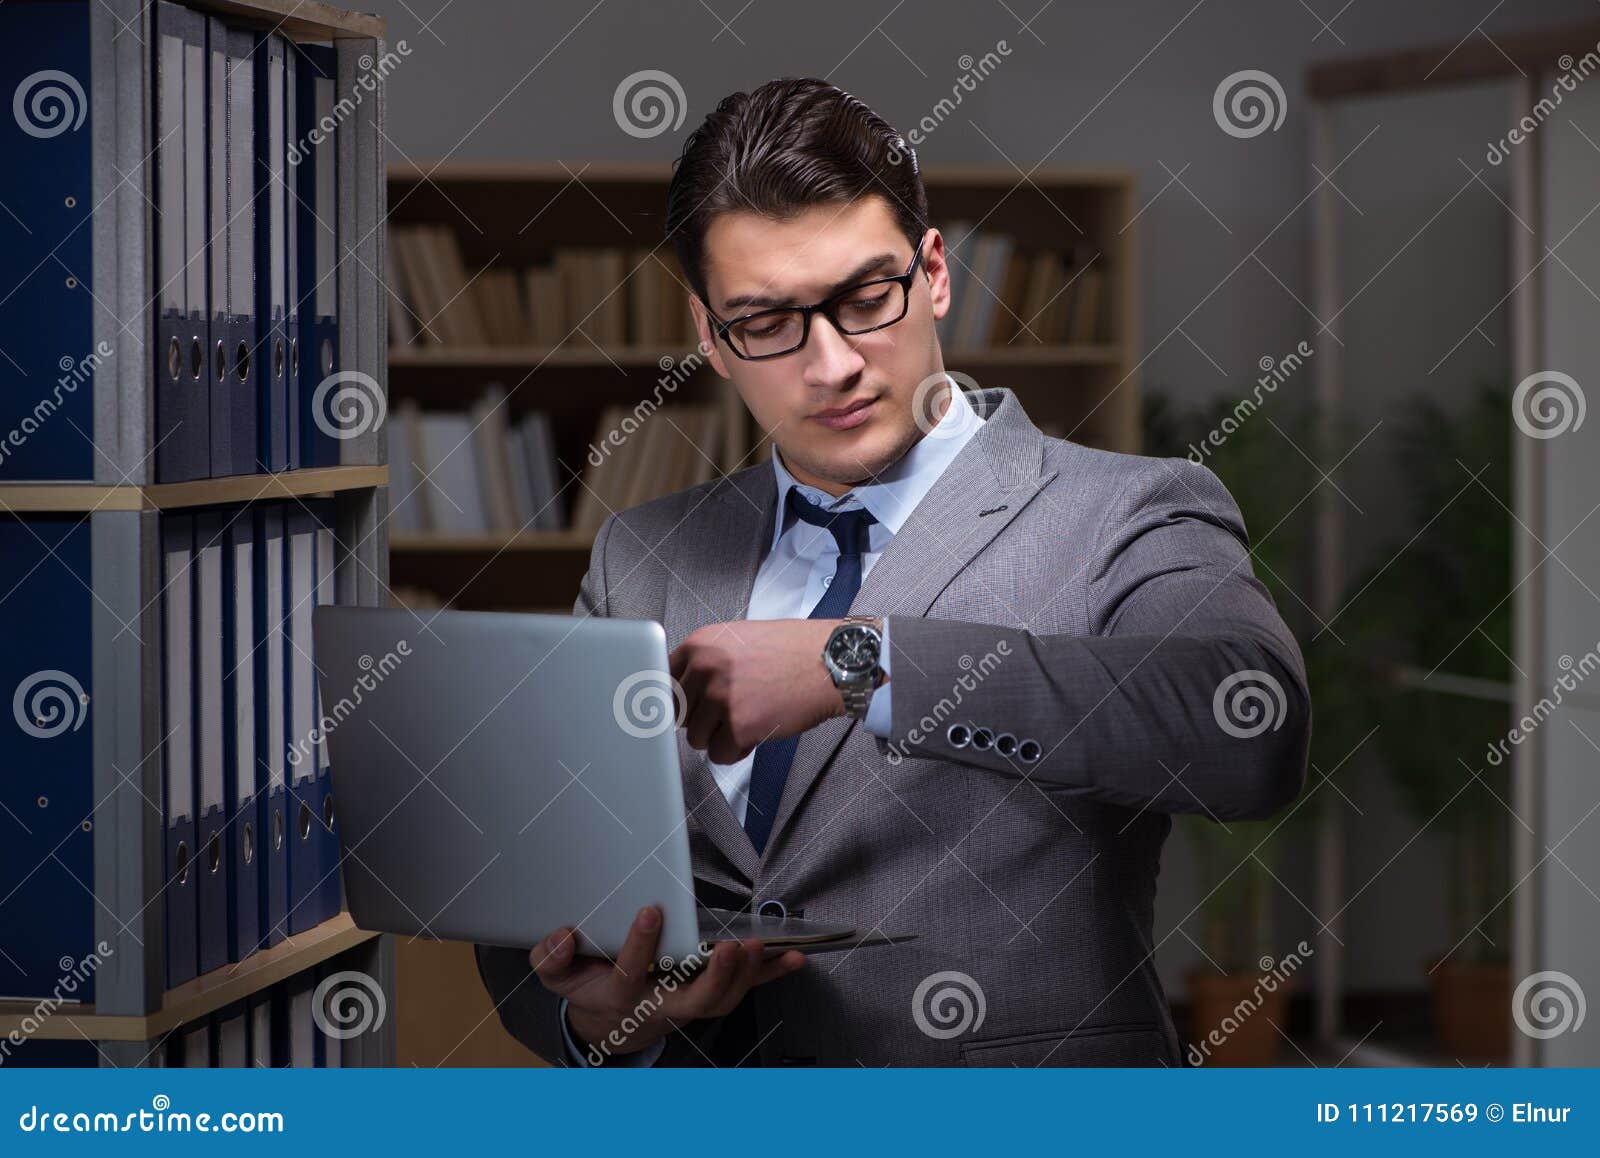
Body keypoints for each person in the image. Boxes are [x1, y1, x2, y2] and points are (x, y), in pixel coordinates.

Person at [476, 77, 1310, 1067]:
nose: (829, 364)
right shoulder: (640, 552)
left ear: (934, 275)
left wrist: (852, 665)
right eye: (765, 322)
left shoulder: (1125, 510)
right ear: (708, 335)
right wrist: (602, 1012)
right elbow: (542, 875)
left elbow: (1246, 731)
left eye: (867, 299)